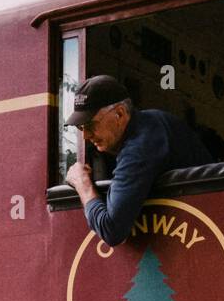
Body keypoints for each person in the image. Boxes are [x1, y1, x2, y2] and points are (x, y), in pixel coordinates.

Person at [64, 75, 214, 247]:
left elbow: (111, 229)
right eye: (80, 127)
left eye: (90, 125)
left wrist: (82, 184)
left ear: (119, 114)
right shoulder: (151, 123)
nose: (85, 136)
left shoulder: (139, 147)